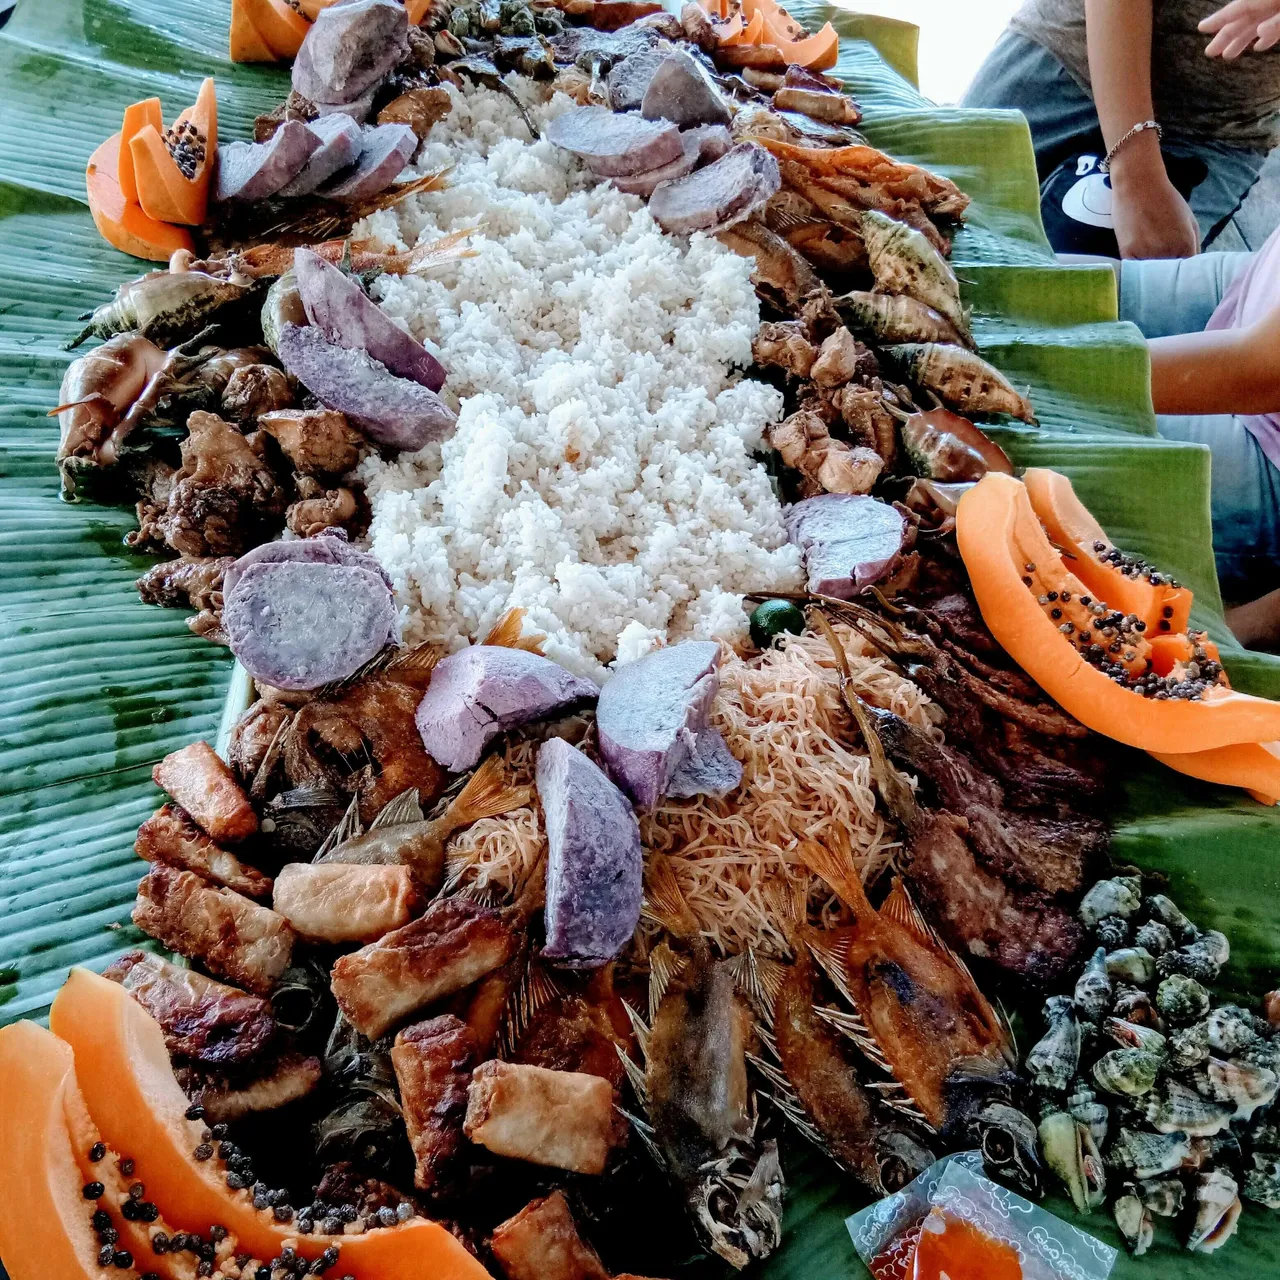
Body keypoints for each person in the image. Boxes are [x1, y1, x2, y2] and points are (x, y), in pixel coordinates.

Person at [963, 1, 1280, 257]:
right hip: (1065, 53)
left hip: (1207, 129)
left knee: (1063, 312)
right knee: (933, 232)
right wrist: (1136, 170)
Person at [1116, 228, 1280, 644]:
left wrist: (1229, 636)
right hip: (1257, 287)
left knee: (1031, 433)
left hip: (1268, 454)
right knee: (1000, 279)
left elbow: (1258, 371)